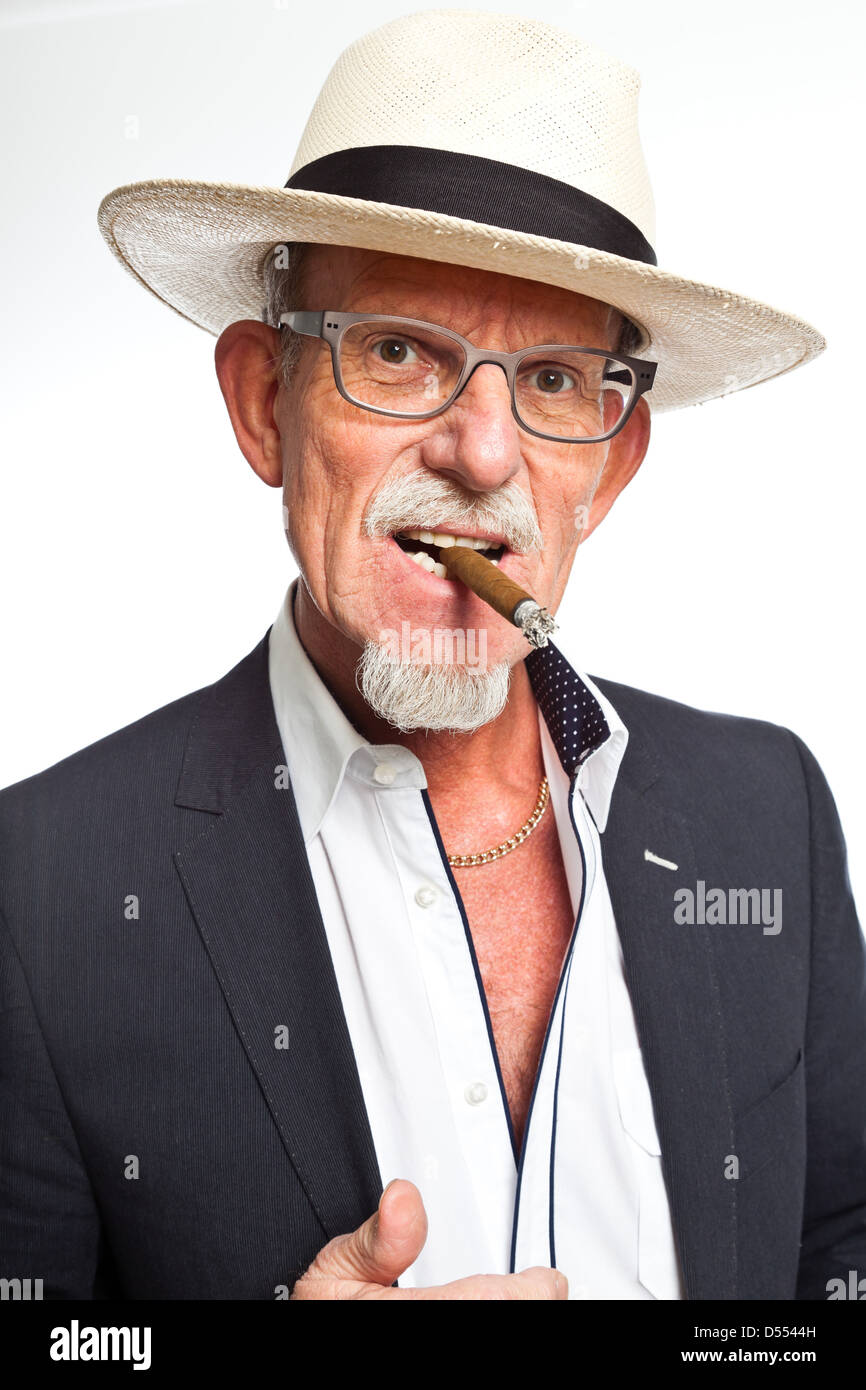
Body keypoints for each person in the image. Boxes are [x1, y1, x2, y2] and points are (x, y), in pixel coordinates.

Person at [1, 9, 863, 1302]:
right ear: (261, 405)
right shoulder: (40, 891)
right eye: (397, 351)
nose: (483, 451)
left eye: (557, 379)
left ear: (610, 466)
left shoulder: (765, 817)